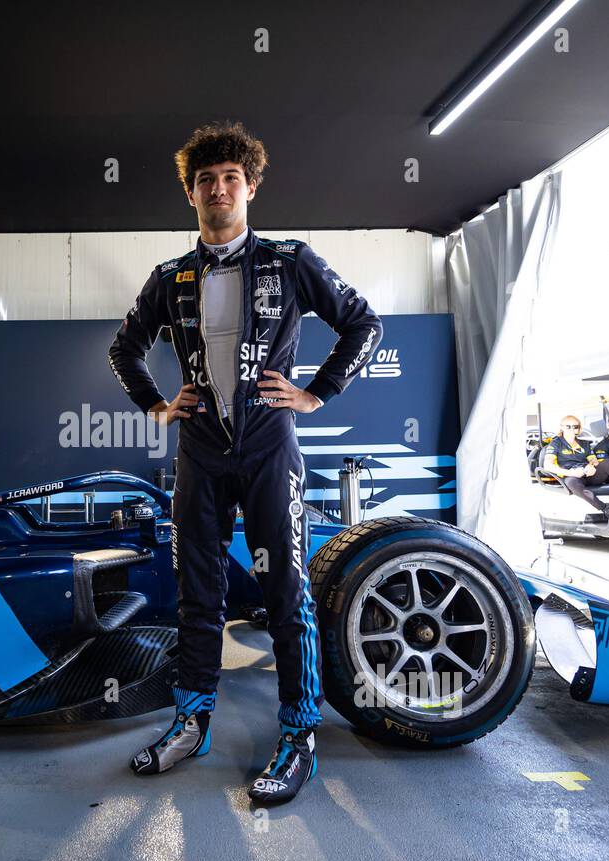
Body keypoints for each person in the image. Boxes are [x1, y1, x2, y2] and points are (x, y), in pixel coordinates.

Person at [108, 121, 382, 804]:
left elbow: (363, 324)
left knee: (285, 592)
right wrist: (156, 406)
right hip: (200, 453)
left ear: (250, 187)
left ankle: (299, 734)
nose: (218, 189)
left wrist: (318, 392)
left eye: (231, 177)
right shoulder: (170, 276)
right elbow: (124, 349)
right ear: (191, 194)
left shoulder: (291, 260)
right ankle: (192, 723)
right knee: (198, 595)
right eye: (205, 180)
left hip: (269, 449)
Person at [542, 415, 609, 520]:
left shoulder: (584, 443)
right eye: (568, 426)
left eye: (575, 426)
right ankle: (605, 508)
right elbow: (548, 465)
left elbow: (593, 460)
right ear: (562, 427)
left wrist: (590, 467)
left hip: (587, 473)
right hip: (570, 475)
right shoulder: (555, 444)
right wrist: (571, 473)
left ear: (579, 428)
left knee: (608, 463)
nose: (572, 429)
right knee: (572, 483)